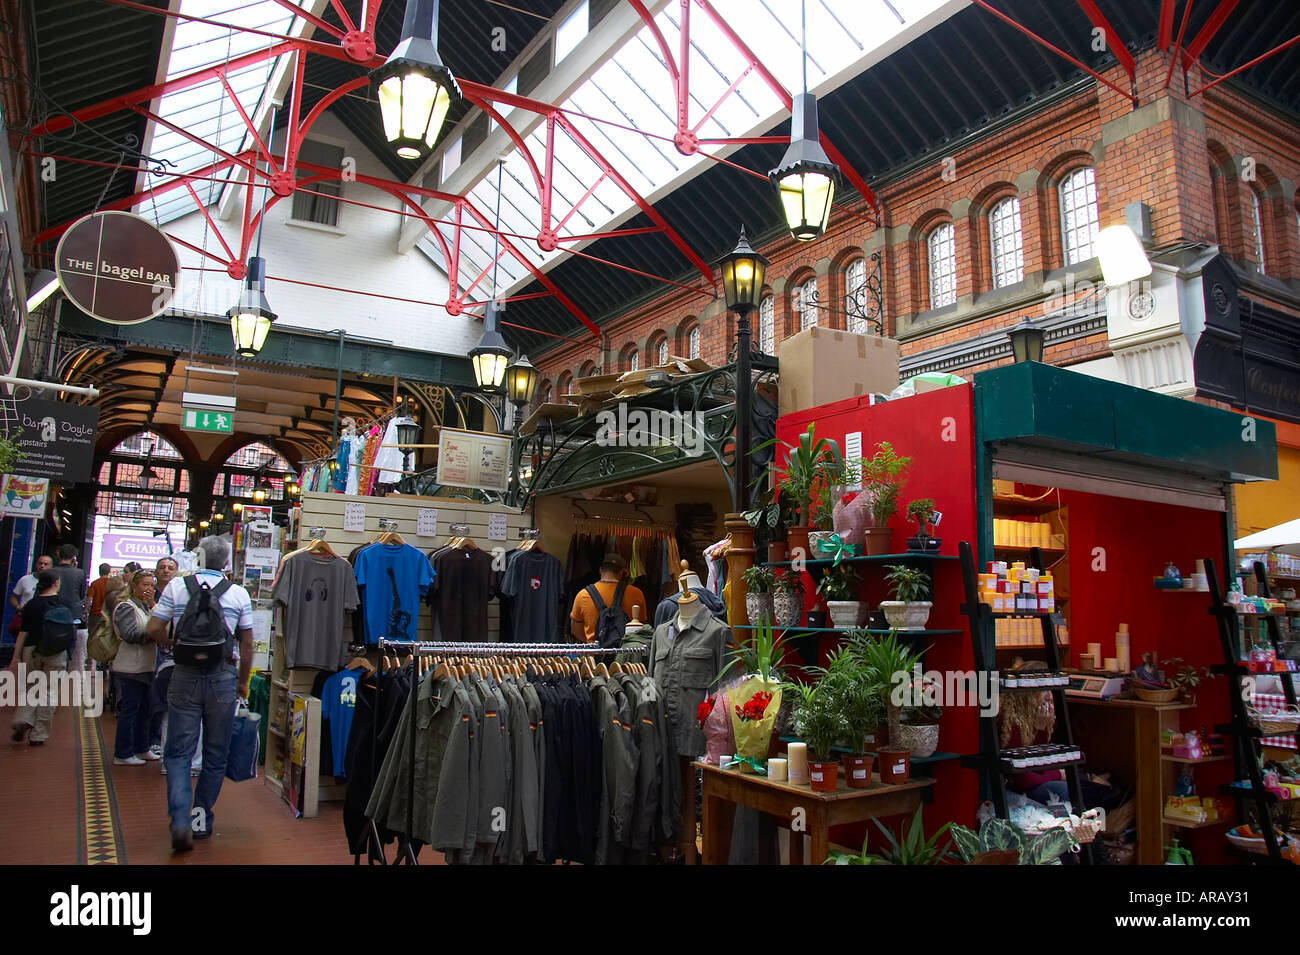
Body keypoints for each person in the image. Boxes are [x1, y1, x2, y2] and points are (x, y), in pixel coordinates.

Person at [147, 536, 253, 853]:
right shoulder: (238, 594)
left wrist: (171, 645)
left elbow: (153, 628)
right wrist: (243, 682)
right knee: (215, 752)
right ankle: (199, 818)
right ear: (225, 562)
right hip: (222, 677)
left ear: (199, 558)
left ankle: (179, 819)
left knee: (178, 752)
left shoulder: (178, 588)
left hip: (184, 675)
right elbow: (246, 644)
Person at [8, 570, 64, 745]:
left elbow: (23, 633)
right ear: (56, 583)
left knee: (31, 688)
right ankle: (38, 735)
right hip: (55, 652)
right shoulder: (62, 604)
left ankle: (24, 719)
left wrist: (15, 658)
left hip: (32, 650)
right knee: (48, 692)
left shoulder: (31, 604)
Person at [110, 571, 159, 766]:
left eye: (151, 586)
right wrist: (153, 635)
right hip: (131, 667)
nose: (148, 589)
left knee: (145, 709)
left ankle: (141, 747)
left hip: (145, 666)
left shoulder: (145, 607)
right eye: (144, 585)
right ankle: (123, 752)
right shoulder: (125, 607)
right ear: (134, 586)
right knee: (130, 710)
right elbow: (130, 634)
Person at [569, 554, 647, 644]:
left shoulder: (583, 595)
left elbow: (575, 630)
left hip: (594, 655)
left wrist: (597, 641)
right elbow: (640, 628)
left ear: (600, 570)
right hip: (625, 655)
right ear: (621, 572)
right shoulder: (636, 593)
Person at [148, 557, 179, 759]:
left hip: (170, 654)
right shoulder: (150, 591)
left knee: (164, 697)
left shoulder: (179, 593)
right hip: (151, 651)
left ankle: (161, 737)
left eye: (170, 568)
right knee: (153, 695)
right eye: (162, 567)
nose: (166, 571)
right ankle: (151, 738)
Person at [49, 545, 88, 672]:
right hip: (72, 616)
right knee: (70, 647)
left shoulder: (50, 572)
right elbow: (82, 595)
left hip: (52, 614)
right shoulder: (80, 573)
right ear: (73, 558)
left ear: (58, 555)